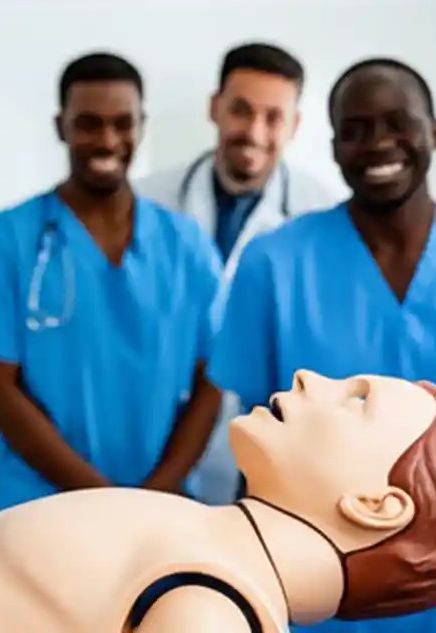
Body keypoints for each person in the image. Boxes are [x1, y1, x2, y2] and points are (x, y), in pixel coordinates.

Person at [207, 57, 436, 632]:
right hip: (326, 594)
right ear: (334, 146)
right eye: (355, 129)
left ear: (434, 132)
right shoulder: (274, 264)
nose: (378, 143)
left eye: (398, 123)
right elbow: (256, 445)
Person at [0, 372, 436, 632]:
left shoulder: (213, 609)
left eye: (357, 399)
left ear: (374, 503)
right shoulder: (208, 547)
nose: (312, 378)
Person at [0, 52, 224, 514]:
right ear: (61, 127)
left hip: (162, 512)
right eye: (88, 124)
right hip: (41, 514)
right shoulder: (3, 239)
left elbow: (211, 385)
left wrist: (154, 497)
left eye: (122, 124)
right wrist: (104, 503)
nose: (107, 140)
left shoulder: (186, 245)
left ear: (141, 126)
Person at [139, 43, 343, 505]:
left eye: (273, 117)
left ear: (294, 126)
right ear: (215, 108)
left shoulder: (323, 215)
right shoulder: (146, 204)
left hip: (273, 457)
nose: (254, 132)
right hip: (158, 444)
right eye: (241, 110)